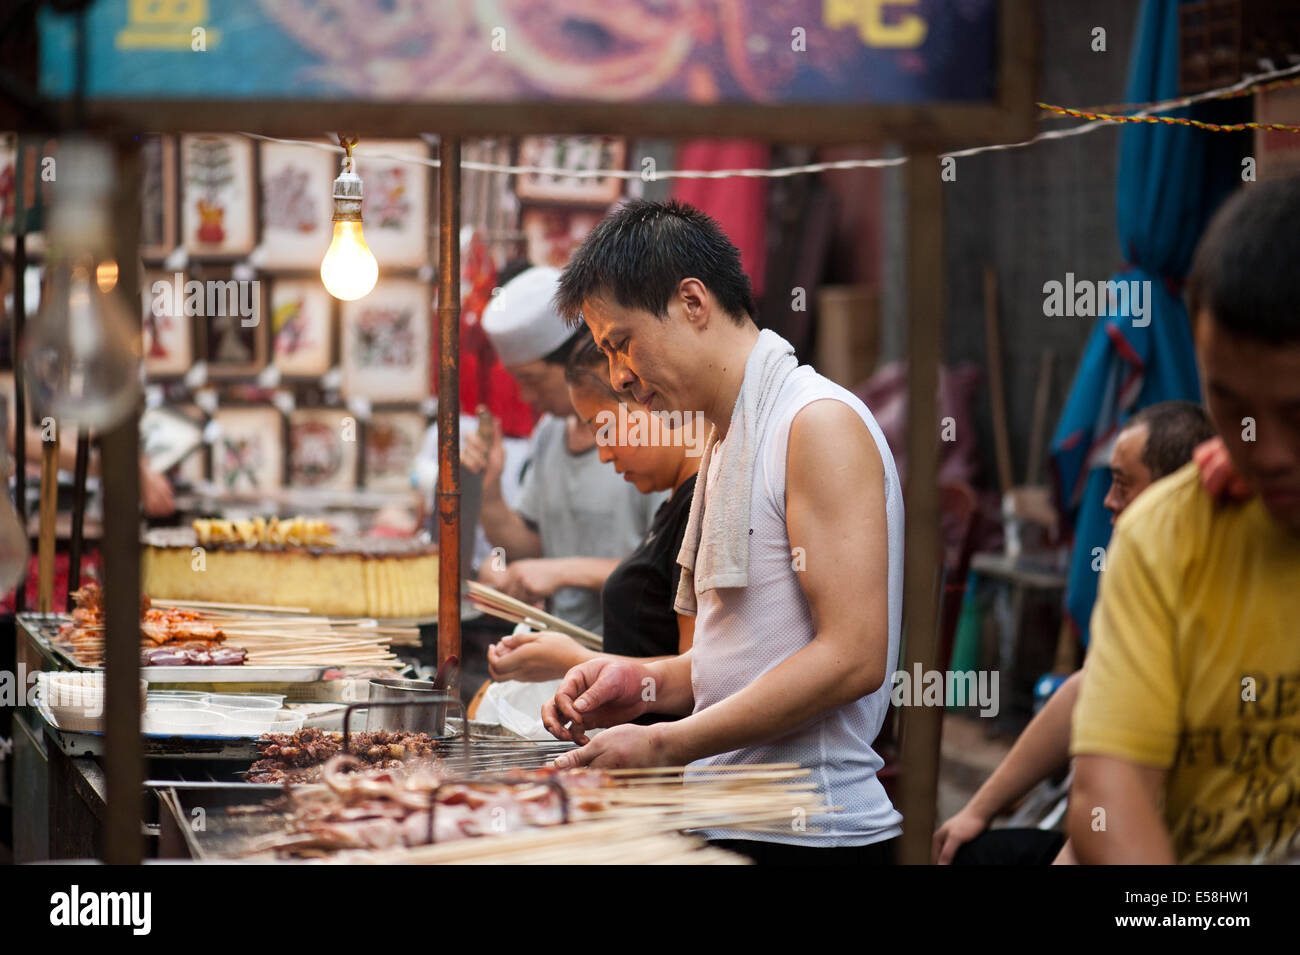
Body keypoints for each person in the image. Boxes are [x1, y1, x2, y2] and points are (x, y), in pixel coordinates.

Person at [542, 199, 904, 864]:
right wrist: (639, 682)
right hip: (733, 819)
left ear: (692, 302)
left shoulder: (814, 423)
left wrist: (665, 743)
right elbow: (738, 665)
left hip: (809, 834)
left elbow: (855, 654)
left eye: (623, 342)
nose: (619, 376)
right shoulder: (727, 440)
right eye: (607, 352)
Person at [1068, 176, 1300, 864]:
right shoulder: (1165, 536)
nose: (1269, 455)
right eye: (1234, 409)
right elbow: (1107, 797)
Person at [933, 400, 1213, 865]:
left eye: (1123, 485)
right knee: (967, 852)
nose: (1107, 500)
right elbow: (1085, 689)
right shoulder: (1141, 573)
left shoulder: (1200, 605)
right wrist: (977, 810)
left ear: (1173, 493)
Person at [487, 330, 700, 689]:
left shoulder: (703, 504)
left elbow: (701, 677)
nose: (603, 454)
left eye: (605, 430)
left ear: (649, 399)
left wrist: (573, 661)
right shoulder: (674, 500)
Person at [462, 265, 665, 635]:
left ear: (580, 358)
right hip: (561, 651)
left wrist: (563, 572)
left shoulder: (649, 435)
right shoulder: (550, 433)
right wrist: (489, 496)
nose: (525, 397)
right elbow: (531, 548)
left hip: (634, 658)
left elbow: (669, 572)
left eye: (533, 380)